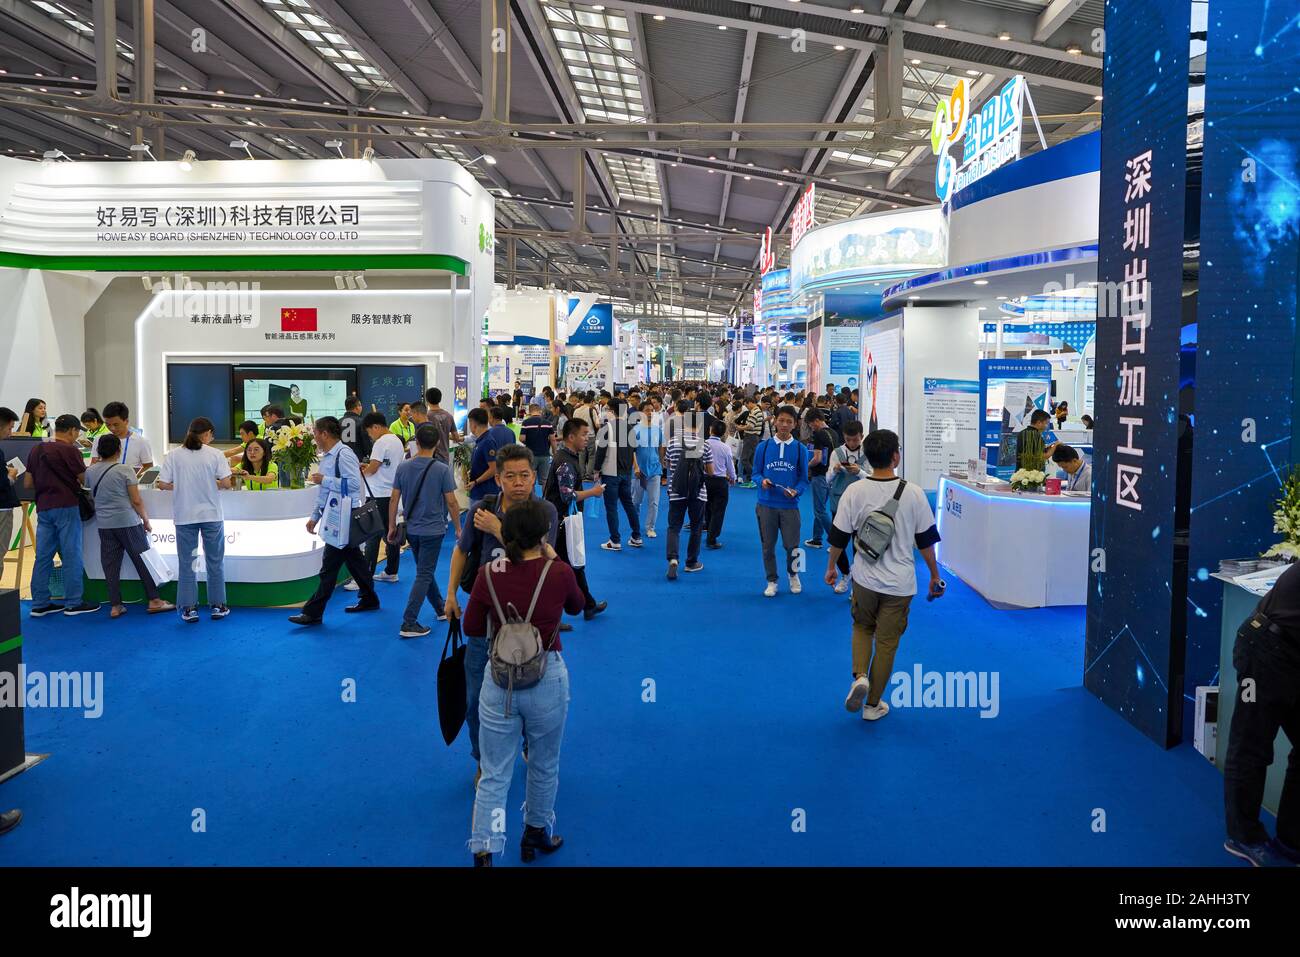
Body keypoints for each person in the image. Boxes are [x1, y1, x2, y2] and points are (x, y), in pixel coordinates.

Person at [465, 499, 586, 867]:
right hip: (546, 674)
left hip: (500, 681)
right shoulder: (558, 572)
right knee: (545, 762)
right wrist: (556, 559)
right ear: (544, 534)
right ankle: (535, 833)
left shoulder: (489, 572)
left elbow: (471, 627)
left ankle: (484, 851)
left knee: (494, 771)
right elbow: (578, 606)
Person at [446, 445, 561, 777]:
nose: (519, 483)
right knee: (473, 700)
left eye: (525, 475)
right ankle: (483, 759)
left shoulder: (545, 512)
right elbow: (462, 551)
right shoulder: (482, 509)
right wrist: (451, 593)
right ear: (497, 479)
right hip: (485, 622)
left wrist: (498, 530)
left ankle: (527, 744)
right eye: (510, 476)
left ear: (534, 476)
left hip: (531, 625)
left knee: (531, 698)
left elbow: (540, 559)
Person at [827, 429, 943, 721]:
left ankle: (859, 677)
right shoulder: (914, 493)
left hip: (864, 578)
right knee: (888, 643)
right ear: (896, 456)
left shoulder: (855, 490)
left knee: (862, 627)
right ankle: (872, 705)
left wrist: (831, 567)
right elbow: (926, 541)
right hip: (900, 583)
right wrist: (934, 575)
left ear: (868, 455)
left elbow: (839, 535)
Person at [1222, 561, 1300, 866]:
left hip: (1290, 652)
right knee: (1250, 746)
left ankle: (1291, 841)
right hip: (1265, 648)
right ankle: (1244, 836)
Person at [289, 417, 380, 626]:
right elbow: (325, 492)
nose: (314, 437)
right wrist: (315, 516)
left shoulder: (344, 454)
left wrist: (325, 480)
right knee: (354, 561)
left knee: (329, 568)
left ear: (324, 434)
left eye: (315, 433)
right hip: (336, 516)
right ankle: (369, 598)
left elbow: (353, 485)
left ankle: (313, 612)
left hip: (344, 517)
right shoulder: (328, 457)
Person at [86, 434, 174, 618]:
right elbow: (136, 499)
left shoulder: (90, 471)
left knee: (110, 566)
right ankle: (154, 600)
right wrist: (146, 520)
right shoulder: (125, 470)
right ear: (118, 450)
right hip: (127, 522)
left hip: (104, 524)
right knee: (143, 560)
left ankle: (115, 605)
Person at [156, 416, 233, 623]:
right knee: (215, 562)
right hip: (212, 515)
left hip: (184, 516)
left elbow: (162, 484)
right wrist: (211, 482)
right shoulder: (216, 455)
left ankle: (188, 608)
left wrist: (181, 486)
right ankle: (218, 605)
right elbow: (226, 483)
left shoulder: (173, 455)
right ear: (207, 434)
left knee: (187, 562)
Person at [388, 423, 461, 639]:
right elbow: (452, 502)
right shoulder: (441, 469)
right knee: (424, 572)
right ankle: (409, 621)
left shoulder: (403, 467)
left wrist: (391, 524)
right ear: (438, 442)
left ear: (416, 442)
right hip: (433, 530)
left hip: (412, 528)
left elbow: (394, 498)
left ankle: (439, 608)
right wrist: (458, 527)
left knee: (424, 570)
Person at [24, 414, 98, 617]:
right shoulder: (70, 450)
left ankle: (40, 603)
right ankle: (74, 602)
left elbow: (28, 484)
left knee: (43, 557)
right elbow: (84, 480)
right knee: (71, 554)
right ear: (73, 431)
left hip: (43, 507)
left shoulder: (36, 449)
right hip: (67, 506)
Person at [543, 418, 607, 622]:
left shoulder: (566, 457)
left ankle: (587, 604)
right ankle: (553, 614)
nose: (587, 438)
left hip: (562, 520)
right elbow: (567, 495)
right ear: (571, 437)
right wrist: (593, 492)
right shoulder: (566, 462)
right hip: (561, 522)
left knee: (572, 565)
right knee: (563, 566)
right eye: (583, 434)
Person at [752, 405, 808, 598]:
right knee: (767, 545)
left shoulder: (800, 449)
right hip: (766, 504)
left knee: (793, 545)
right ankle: (771, 580)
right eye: (781, 420)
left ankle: (794, 575)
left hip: (790, 506)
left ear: (795, 425)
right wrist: (762, 481)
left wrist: (796, 491)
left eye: (789, 422)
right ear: (775, 421)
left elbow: (803, 479)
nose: (784, 425)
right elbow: (755, 473)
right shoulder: (763, 446)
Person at [663, 401, 713, 580]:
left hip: (676, 490)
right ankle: (691, 562)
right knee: (696, 527)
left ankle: (673, 559)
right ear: (698, 424)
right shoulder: (704, 444)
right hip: (698, 492)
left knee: (674, 527)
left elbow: (668, 465)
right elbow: (710, 471)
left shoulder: (673, 442)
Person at [359, 412, 404, 584]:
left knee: (372, 536)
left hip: (377, 494)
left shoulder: (380, 442)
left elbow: (374, 468)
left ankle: (365, 576)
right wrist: (369, 467)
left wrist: (362, 471)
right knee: (390, 533)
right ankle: (391, 571)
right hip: (391, 493)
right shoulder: (397, 440)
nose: (370, 436)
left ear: (376, 427)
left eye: (370, 432)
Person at [596, 397, 643, 551]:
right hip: (626, 472)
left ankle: (615, 540)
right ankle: (637, 536)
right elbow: (633, 450)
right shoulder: (630, 428)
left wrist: (596, 469)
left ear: (611, 410)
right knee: (628, 504)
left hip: (610, 472)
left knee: (611, 507)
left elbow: (601, 451)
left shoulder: (606, 428)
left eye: (608, 408)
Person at [827, 420, 867, 593]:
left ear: (862, 437)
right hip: (839, 503)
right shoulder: (836, 453)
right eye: (848, 439)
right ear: (844, 437)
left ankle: (857, 584)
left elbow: (874, 479)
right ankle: (845, 575)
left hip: (862, 506)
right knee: (838, 544)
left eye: (855, 440)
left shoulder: (869, 453)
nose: (852, 443)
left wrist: (859, 472)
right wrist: (835, 470)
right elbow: (827, 479)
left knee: (859, 545)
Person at [804, 408, 836, 551]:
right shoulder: (834, 433)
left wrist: (805, 466)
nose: (811, 427)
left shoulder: (819, 435)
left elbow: (816, 459)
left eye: (811, 424)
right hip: (831, 475)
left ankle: (835, 541)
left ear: (816, 420)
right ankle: (817, 539)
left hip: (820, 475)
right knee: (821, 508)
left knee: (820, 511)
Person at [631, 403, 663, 538]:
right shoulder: (635, 430)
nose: (650, 413)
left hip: (655, 470)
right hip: (639, 471)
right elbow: (632, 450)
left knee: (654, 501)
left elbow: (661, 446)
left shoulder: (657, 430)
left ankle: (650, 527)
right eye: (647, 410)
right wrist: (636, 466)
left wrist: (661, 461)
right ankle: (635, 526)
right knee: (635, 502)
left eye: (651, 410)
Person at [703, 421, 735, 550]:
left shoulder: (703, 444)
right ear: (723, 433)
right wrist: (732, 477)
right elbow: (730, 465)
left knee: (706, 506)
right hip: (720, 481)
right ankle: (712, 538)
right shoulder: (725, 447)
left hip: (704, 479)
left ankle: (708, 527)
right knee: (719, 510)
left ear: (710, 430)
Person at [97, 401, 153, 474]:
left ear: (126, 421)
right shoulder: (100, 439)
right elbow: (95, 463)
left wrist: (129, 476)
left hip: (130, 483)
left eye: (116, 424)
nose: (112, 428)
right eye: (108, 425)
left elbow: (148, 467)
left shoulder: (141, 442)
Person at [520, 403, 555, 488]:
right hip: (545, 455)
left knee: (530, 479)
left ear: (530, 411)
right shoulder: (548, 423)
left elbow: (522, 439)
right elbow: (553, 439)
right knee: (545, 480)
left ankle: (532, 499)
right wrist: (555, 451)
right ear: (540, 411)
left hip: (530, 455)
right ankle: (545, 499)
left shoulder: (526, 423)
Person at [424, 387, 461, 466]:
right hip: (445, 456)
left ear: (427, 399)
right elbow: (456, 438)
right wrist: (444, 434)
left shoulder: (426, 417)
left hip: (430, 457)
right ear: (440, 399)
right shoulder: (449, 416)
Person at [738, 394, 768, 488]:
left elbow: (750, 426)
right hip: (753, 437)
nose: (746, 407)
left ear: (750, 403)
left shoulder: (755, 411)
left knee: (744, 459)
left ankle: (755, 477)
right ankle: (752, 479)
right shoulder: (757, 411)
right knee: (750, 459)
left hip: (750, 437)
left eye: (746, 405)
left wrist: (741, 427)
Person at [0, 408, 18, 557]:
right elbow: (1, 484)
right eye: (10, 428)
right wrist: (11, 476)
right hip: (2, 509)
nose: (10, 433)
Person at [341, 395, 372, 462]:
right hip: (358, 460)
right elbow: (366, 443)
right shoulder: (362, 422)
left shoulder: (338, 422)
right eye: (360, 405)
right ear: (357, 407)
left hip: (341, 459)